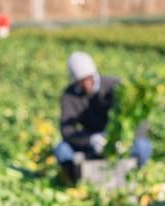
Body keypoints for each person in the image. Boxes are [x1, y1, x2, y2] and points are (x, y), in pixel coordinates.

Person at [53, 51, 153, 184]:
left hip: (119, 144)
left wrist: (125, 140)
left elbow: (140, 121)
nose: (86, 84)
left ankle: (134, 177)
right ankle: (76, 181)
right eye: (81, 81)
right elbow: (67, 130)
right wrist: (90, 140)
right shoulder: (69, 96)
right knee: (62, 150)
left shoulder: (116, 87)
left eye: (88, 78)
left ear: (94, 74)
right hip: (92, 144)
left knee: (143, 147)